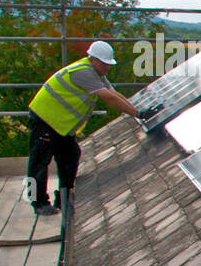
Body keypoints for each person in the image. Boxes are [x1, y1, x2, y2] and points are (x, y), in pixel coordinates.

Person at [26, 40, 138, 215]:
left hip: (60, 125)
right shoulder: (83, 72)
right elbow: (108, 98)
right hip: (44, 119)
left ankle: (63, 199)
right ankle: (37, 202)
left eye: (108, 64)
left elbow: (114, 93)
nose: (107, 67)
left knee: (71, 156)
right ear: (93, 59)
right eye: (104, 64)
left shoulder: (96, 74)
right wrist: (137, 114)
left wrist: (137, 109)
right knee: (38, 163)